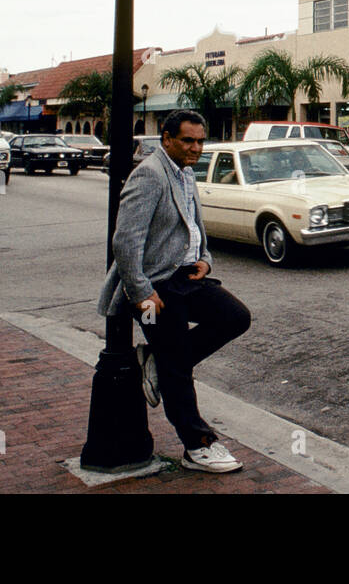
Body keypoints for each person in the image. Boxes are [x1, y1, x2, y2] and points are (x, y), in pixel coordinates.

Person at [96, 110, 252, 474]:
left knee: (235, 317)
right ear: (166, 138)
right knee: (178, 367)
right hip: (154, 288)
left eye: (200, 141)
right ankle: (197, 446)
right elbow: (126, 240)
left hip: (187, 277)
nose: (196, 147)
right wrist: (141, 292)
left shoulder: (184, 172)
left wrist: (206, 260)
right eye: (188, 141)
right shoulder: (149, 175)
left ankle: (154, 358)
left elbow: (195, 228)